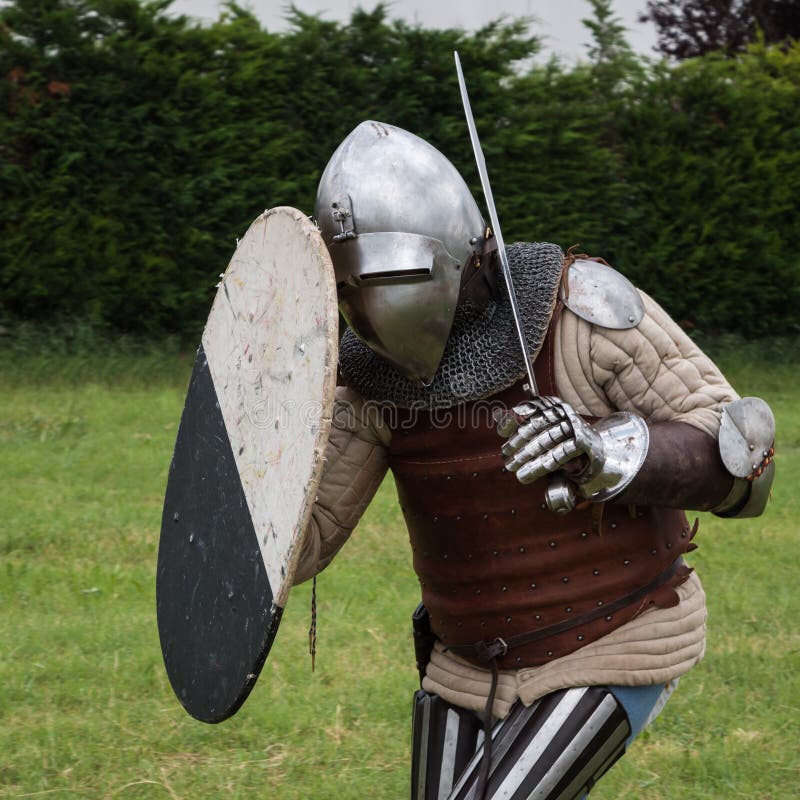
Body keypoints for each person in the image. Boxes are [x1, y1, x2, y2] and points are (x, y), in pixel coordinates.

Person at [293, 120, 775, 800]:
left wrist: (602, 451)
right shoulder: (370, 379)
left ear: (462, 253)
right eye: (351, 290)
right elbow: (302, 538)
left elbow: (743, 457)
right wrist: (259, 443)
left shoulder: (578, 310)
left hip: (613, 640)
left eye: (395, 278)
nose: (374, 309)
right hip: (464, 666)